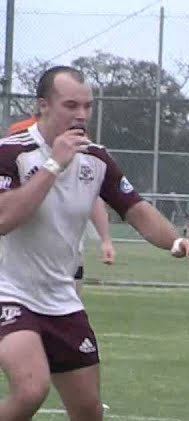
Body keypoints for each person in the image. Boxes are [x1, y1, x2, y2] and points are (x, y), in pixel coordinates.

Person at [0, 66, 189, 421]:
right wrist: (52, 165)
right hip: (8, 291)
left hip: (61, 299)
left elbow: (136, 210)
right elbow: (5, 219)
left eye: (88, 106)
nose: (81, 115)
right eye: (71, 105)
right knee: (30, 390)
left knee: (89, 412)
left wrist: (175, 244)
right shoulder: (10, 153)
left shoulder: (97, 159)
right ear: (43, 106)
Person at [8, 113, 116, 291]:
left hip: (66, 261)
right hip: (22, 264)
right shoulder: (18, 136)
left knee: (69, 304)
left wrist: (106, 239)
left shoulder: (76, 138)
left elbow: (92, 193)